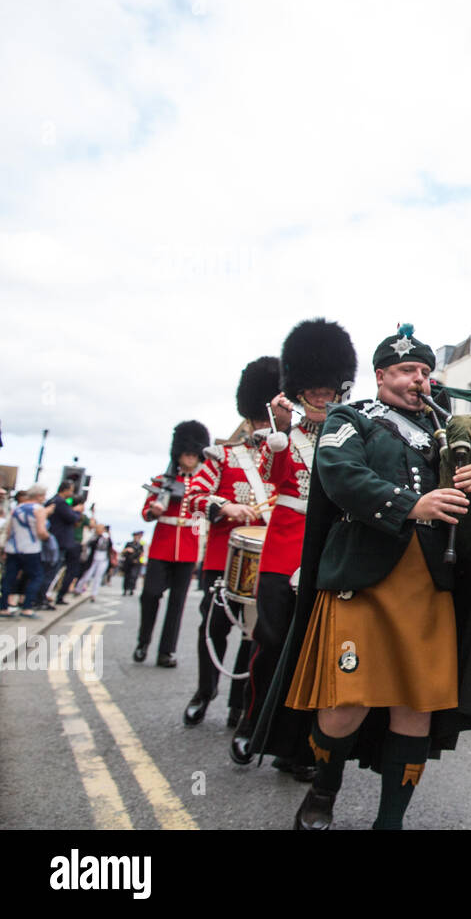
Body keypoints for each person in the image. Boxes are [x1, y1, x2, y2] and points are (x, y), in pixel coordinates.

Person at [256, 323, 471, 830]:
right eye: (404, 371)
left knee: (414, 707)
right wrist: (411, 505)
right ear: (380, 375)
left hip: (429, 587)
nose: (416, 379)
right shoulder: (350, 419)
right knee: (346, 703)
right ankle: (322, 794)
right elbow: (338, 473)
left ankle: (390, 822)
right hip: (364, 581)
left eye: (423, 370)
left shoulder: (449, 432)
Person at [230, 320, 356, 771]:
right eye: (314, 391)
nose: (322, 399)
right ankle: (253, 725)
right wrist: (281, 430)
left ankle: (300, 747)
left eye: (329, 391)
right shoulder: (285, 437)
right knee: (271, 640)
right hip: (284, 549)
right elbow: (270, 475)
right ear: (299, 391)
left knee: (314, 650)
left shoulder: (348, 437)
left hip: (328, 551)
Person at [182, 356, 281, 728]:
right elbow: (196, 494)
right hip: (223, 559)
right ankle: (203, 693)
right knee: (214, 626)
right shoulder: (223, 456)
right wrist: (225, 506)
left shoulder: (284, 458)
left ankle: (239, 704)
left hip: (267, 558)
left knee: (255, 635)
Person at [136, 420, 210, 667]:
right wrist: (154, 510)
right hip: (162, 545)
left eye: (193, 454)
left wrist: (199, 540)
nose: (189, 458)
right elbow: (146, 512)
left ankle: (166, 651)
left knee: (176, 604)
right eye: (185, 453)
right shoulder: (161, 480)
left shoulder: (205, 483)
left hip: (187, 549)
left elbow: (203, 516)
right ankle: (143, 641)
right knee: (150, 595)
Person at [0, 487, 50, 618]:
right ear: (39, 496)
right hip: (31, 549)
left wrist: (5, 547)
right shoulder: (39, 509)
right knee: (36, 577)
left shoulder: (17, 508)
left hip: (13, 548)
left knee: (9, 578)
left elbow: (9, 530)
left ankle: (3, 607)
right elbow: (41, 531)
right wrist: (47, 537)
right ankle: (27, 608)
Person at [74, 523, 112, 601]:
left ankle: (94, 594)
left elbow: (110, 546)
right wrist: (98, 537)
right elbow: (89, 544)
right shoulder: (94, 537)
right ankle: (78, 589)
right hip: (93, 559)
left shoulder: (107, 538)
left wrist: (108, 536)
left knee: (98, 577)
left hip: (103, 559)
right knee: (87, 574)